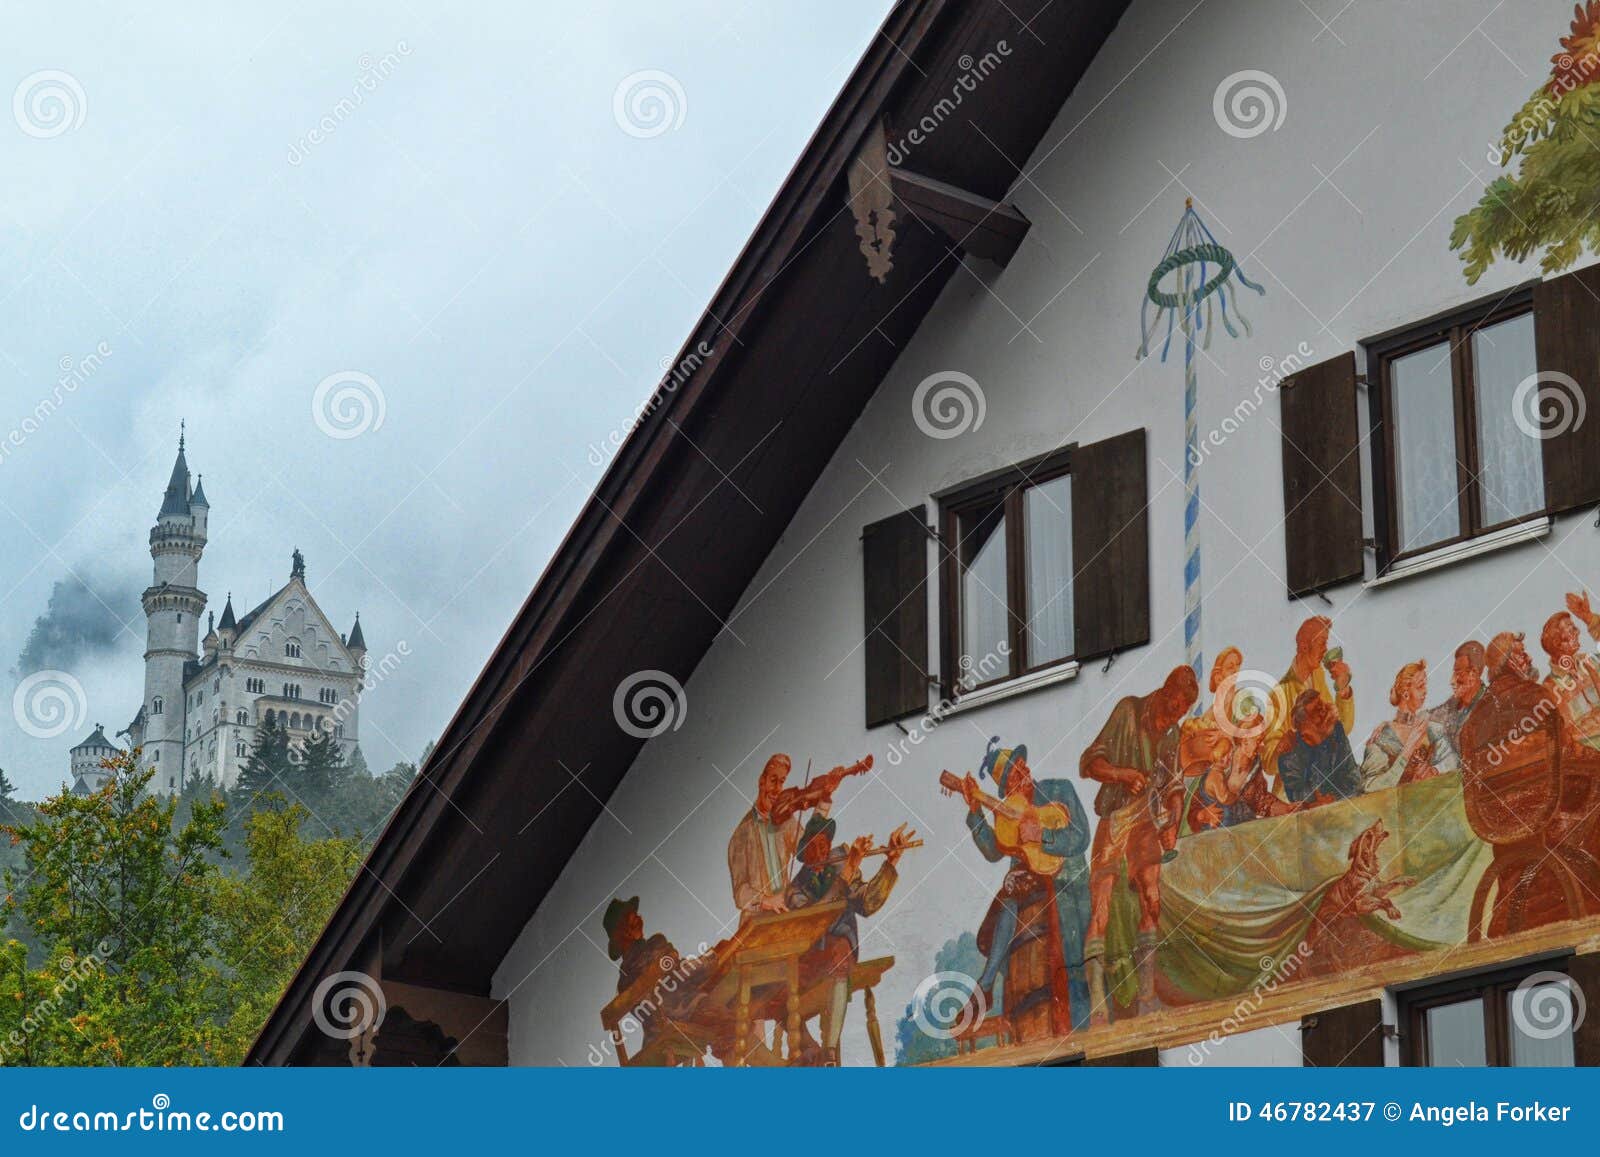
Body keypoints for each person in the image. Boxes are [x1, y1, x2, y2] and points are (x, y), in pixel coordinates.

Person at [1080, 665, 1198, 1023]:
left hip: (1147, 820)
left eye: (1181, 713)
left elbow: (1176, 787)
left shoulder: (1173, 733)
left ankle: (1147, 998)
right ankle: (1099, 1002)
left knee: (1152, 899)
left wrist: (1173, 825)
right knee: (1100, 904)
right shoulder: (1128, 710)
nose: (1173, 718)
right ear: (1163, 692)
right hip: (1116, 816)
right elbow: (1088, 764)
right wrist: (1123, 774)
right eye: (1172, 708)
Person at [954, 739, 1092, 1033]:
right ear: (1006, 790)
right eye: (1014, 776)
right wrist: (975, 811)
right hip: (1034, 883)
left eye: (1021, 766)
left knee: (1072, 962)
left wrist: (1042, 835)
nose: (1023, 773)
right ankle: (986, 984)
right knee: (1007, 902)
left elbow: (1080, 837)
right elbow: (994, 851)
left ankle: (1082, 1034)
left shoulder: (1059, 790)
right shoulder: (1008, 812)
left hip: (1067, 884)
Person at [785, 814, 914, 1064]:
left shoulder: (840, 866)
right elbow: (814, 921)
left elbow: (866, 903)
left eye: (826, 842)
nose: (824, 848)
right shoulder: (795, 889)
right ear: (805, 852)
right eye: (816, 844)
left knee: (840, 947)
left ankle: (830, 1052)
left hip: (839, 955)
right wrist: (848, 870)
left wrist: (891, 861)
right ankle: (816, 1053)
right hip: (809, 960)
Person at [726, 752, 870, 923]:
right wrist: (766, 901)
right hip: (756, 920)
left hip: (785, 913)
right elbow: (740, 892)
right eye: (773, 780)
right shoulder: (741, 834)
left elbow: (808, 850)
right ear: (761, 781)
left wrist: (825, 795)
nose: (777, 789)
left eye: (782, 782)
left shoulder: (785, 822)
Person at [602, 896, 708, 1049]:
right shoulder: (654, 945)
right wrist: (708, 962)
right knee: (726, 1018)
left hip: (656, 1037)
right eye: (631, 918)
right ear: (623, 931)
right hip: (686, 1012)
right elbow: (678, 973)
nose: (639, 918)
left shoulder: (623, 982)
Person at [1264, 616, 1354, 788]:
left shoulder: (1318, 675)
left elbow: (1341, 729)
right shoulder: (1278, 694)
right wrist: (1288, 745)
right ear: (1304, 646)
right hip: (1294, 790)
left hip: (1325, 781)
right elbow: (1269, 763)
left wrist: (1343, 689)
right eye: (1321, 643)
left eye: (1326, 643)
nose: (1325, 650)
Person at [1186, 712, 1306, 830]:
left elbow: (1262, 801)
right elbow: (1196, 804)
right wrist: (1201, 815)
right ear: (1245, 741)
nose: (1263, 745)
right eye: (1259, 740)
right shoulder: (1222, 758)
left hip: (1241, 829)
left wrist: (1286, 809)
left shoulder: (1255, 767)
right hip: (1214, 830)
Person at [1360, 660, 1454, 792]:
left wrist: (1434, 770)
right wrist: (1407, 750)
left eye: (1425, 686)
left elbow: (1453, 759)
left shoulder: (1432, 728)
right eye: (1420, 686)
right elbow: (1370, 787)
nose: (1426, 691)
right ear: (1405, 693)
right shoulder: (1382, 737)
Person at [1276, 688, 1362, 803]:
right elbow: (1299, 798)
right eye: (1317, 710)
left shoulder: (1336, 730)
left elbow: (1354, 780)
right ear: (1304, 723)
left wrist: (1334, 797)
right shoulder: (1289, 753)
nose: (1324, 711)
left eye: (1322, 705)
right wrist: (1318, 742)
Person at [1542, 595, 1600, 756]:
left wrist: (1589, 619)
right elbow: (1568, 734)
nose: (1578, 631)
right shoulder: (1550, 686)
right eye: (1571, 628)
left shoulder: (1590, 662)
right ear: (1557, 642)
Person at [1425, 640, 1487, 755]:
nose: (1452, 681)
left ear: (1473, 673)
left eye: (1458, 673)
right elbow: (1430, 716)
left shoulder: (1488, 705)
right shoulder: (1453, 703)